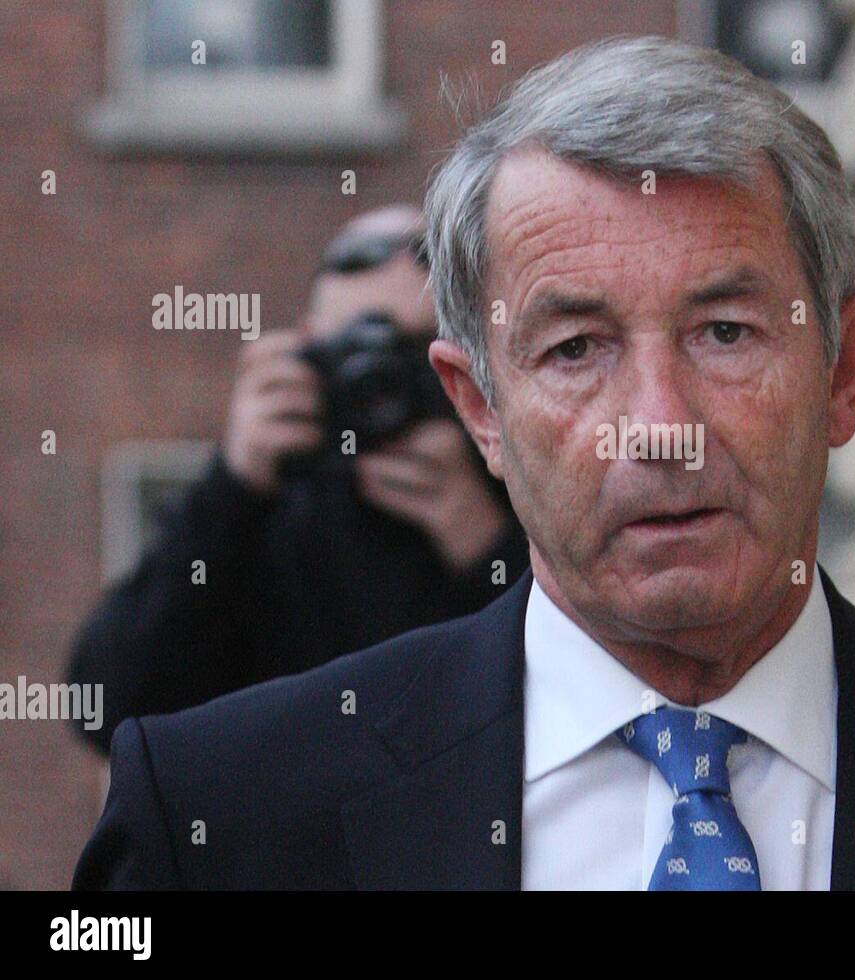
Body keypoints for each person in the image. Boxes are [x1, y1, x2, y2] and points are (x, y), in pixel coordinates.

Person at [74, 36, 855, 890]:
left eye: (726, 332)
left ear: (845, 370)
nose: (660, 424)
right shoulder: (221, 817)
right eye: (575, 348)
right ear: (479, 405)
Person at [66, 205, 529, 755]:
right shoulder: (264, 509)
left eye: (416, 350)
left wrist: (488, 548)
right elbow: (107, 704)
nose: (382, 381)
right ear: (309, 351)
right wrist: (234, 485)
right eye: (359, 349)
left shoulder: (516, 482)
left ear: (465, 360)